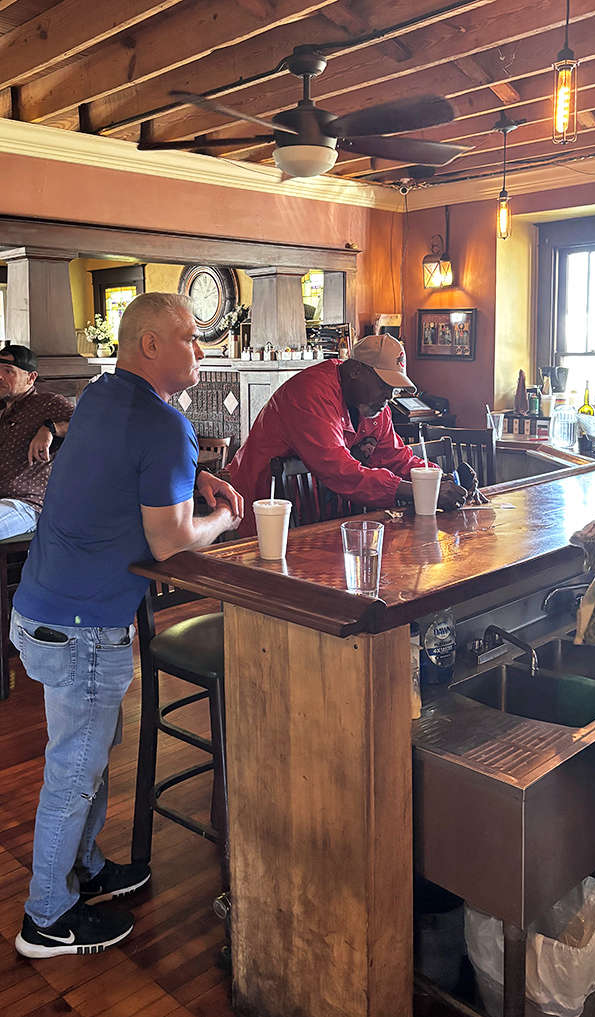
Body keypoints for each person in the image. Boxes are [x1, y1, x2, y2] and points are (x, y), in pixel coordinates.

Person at [10, 293, 244, 959]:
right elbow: (170, 544)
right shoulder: (162, 424)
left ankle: (83, 868)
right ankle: (46, 918)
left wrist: (189, 476)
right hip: (83, 625)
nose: (202, 349)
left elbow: (118, 471)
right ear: (150, 346)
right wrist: (223, 520)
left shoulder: (100, 396)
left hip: (41, 609)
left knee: (87, 754)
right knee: (74, 770)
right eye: (191, 338)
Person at [230, 333, 481, 535]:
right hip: (261, 502)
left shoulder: (374, 405)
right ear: (354, 371)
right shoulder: (311, 394)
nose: (388, 396)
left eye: (393, 389)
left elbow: (396, 458)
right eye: (384, 384)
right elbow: (341, 471)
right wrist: (421, 491)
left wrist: (440, 480)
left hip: (316, 514)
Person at [0, 344, 74, 538]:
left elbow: (91, 425)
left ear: (31, 378)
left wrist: (50, 428)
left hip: (26, 504)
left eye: (8, 371)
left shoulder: (48, 403)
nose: (0, 377)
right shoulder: (2, 410)